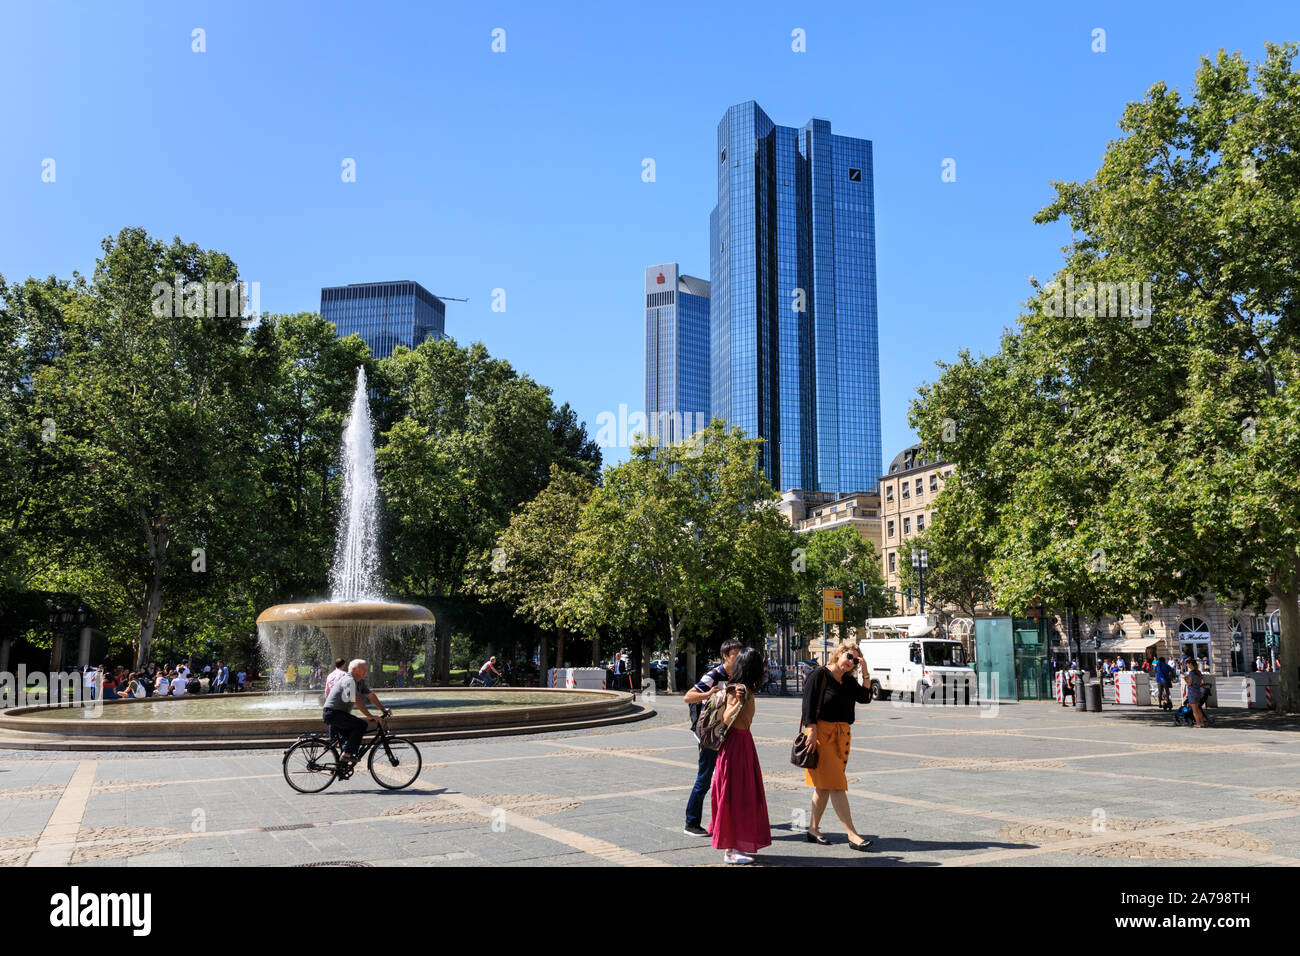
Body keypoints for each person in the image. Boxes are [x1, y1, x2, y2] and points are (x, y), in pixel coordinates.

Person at [801, 642, 874, 850]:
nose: (851, 662)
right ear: (839, 654)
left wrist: (865, 671)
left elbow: (865, 698)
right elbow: (807, 703)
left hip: (841, 737)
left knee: (823, 786)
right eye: (849, 657)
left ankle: (813, 829)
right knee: (837, 785)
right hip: (821, 734)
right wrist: (811, 730)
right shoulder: (820, 675)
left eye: (855, 661)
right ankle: (852, 834)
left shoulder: (848, 682)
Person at [707, 648, 770, 864]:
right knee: (733, 795)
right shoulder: (739, 690)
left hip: (743, 743)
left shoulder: (745, 688)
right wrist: (735, 704)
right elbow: (724, 719)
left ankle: (734, 845)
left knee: (740, 795)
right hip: (736, 744)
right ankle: (730, 849)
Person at [680, 639, 744, 837]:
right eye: (736, 655)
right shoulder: (714, 675)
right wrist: (707, 693)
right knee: (705, 777)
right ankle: (691, 823)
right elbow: (688, 696)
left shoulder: (739, 675)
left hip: (726, 731)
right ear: (725, 656)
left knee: (729, 776)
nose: (740, 658)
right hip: (708, 733)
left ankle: (727, 819)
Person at [321, 659, 390, 766]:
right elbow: (356, 700)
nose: (366, 671)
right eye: (363, 669)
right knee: (361, 725)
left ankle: (341, 767)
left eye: (366, 668)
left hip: (339, 714)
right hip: (333, 714)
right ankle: (347, 755)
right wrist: (370, 716)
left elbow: (370, 695)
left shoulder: (359, 682)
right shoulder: (349, 680)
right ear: (354, 670)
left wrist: (383, 709)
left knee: (350, 738)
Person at [1186, 659, 1207, 728]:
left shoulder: (1191, 673)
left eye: (1188, 664)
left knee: (1194, 710)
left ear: (1190, 665)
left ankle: (1198, 724)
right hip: (1197, 691)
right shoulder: (1198, 672)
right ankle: (1202, 723)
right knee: (1198, 708)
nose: (1187, 665)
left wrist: (1184, 678)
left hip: (1192, 692)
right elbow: (1200, 682)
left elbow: (1189, 683)